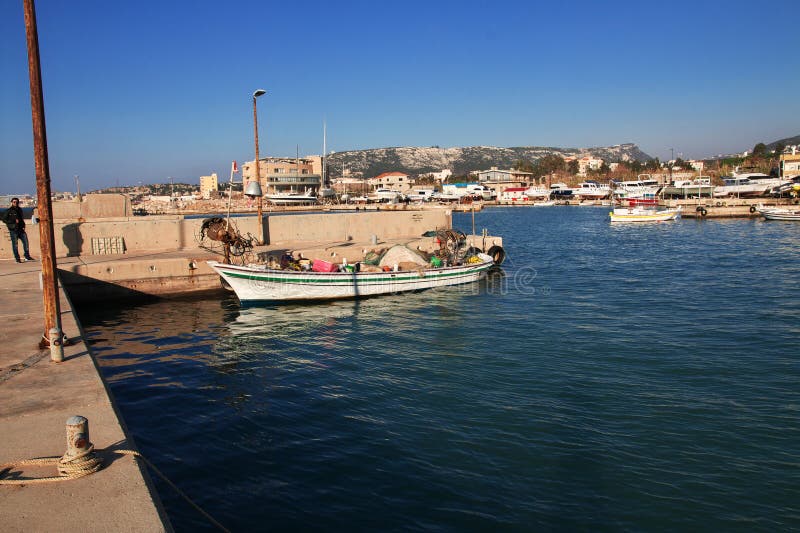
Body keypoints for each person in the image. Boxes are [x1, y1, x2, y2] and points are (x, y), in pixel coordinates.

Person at [3, 198, 34, 263]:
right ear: (12, 202)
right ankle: (17, 258)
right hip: (13, 230)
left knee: (26, 242)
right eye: (14, 202)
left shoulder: (19, 209)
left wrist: (23, 225)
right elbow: (4, 219)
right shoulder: (9, 210)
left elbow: (21, 219)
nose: (15, 203)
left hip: (21, 229)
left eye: (16, 202)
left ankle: (27, 256)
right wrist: (13, 221)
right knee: (15, 245)